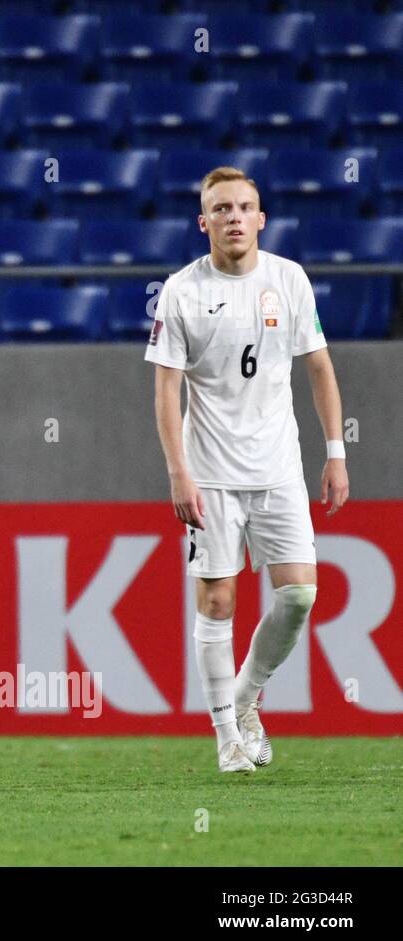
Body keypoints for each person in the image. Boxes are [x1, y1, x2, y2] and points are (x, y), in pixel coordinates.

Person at [146, 166, 349, 773]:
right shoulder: (181, 290)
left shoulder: (289, 280)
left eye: (245, 207)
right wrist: (177, 471)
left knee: (300, 595)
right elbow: (165, 391)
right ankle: (226, 736)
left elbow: (318, 368)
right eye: (221, 209)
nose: (234, 217)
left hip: (278, 467)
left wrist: (335, 451)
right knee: (217, 599)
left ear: (261, 218)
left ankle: (243, 696)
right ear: (203, 222)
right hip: (209, 471)